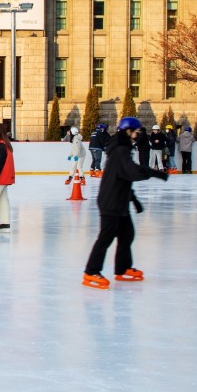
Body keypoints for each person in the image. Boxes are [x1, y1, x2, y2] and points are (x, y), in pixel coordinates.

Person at [82, 117, 169, 290]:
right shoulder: (121, 150)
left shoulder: (121, 149)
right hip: (111, 201)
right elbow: (132, 172)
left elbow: (123, 177)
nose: (138, 136)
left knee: (127, 234)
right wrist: (154, 173)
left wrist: (134, 200)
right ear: (129, 132)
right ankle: (91, 272)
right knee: (106, 237)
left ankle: (122, 268)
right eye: (137, 132)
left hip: (119, 200)